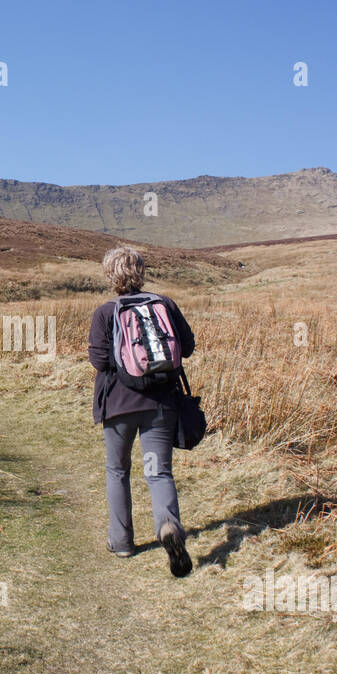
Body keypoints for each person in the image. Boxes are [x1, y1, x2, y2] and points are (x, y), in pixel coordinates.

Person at [87, 247, 195, 577]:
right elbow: (186, 347)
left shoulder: (106, 312)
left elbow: (100, 361)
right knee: (158, 472)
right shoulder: (164, 305)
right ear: (141, 271)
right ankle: (168, 528)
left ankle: (121, 541)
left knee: (117, 470)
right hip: (160, 405)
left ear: (110, 275)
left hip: (119, 406)